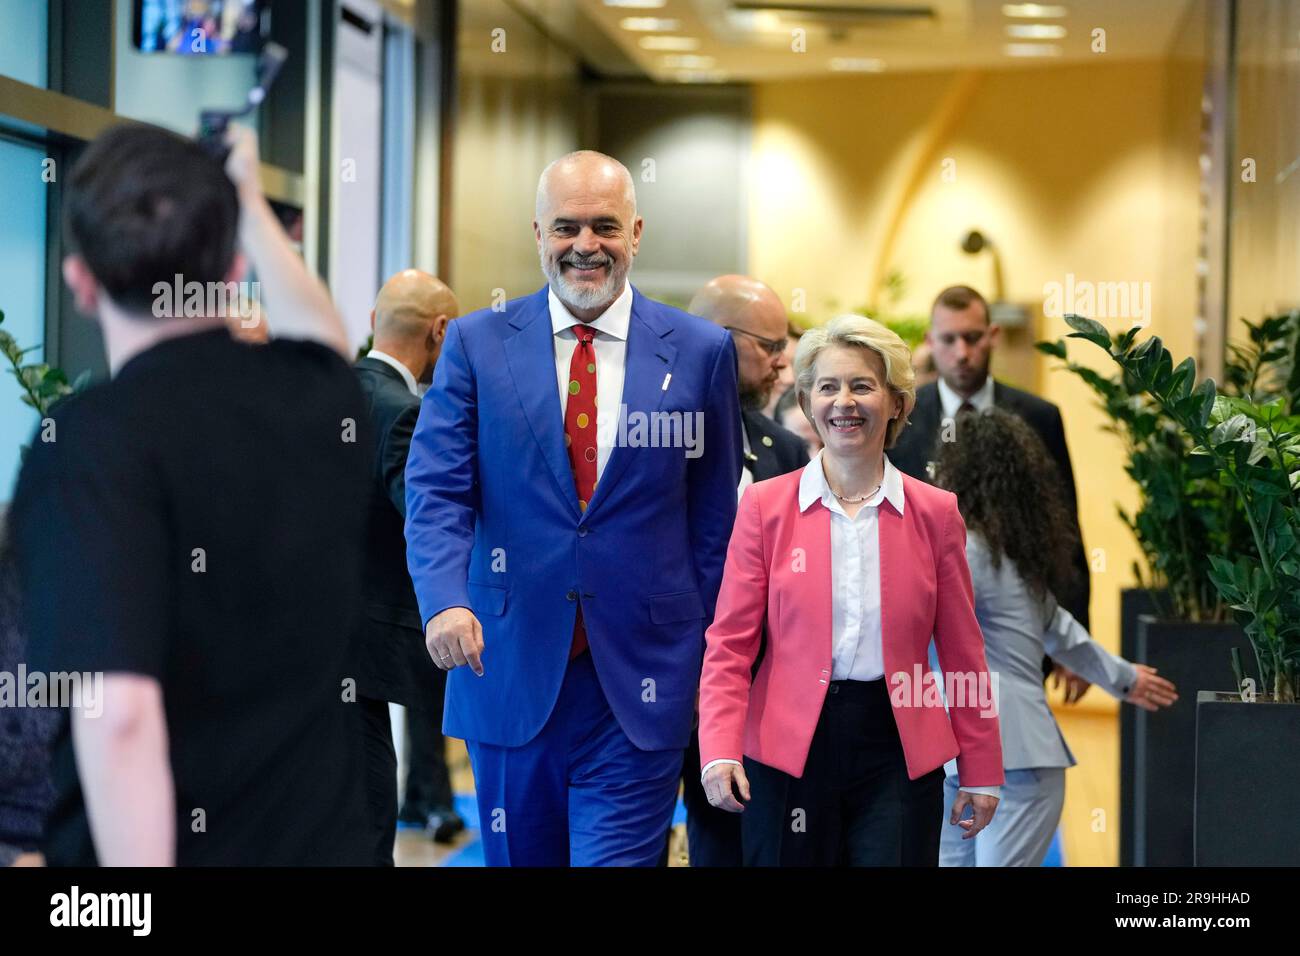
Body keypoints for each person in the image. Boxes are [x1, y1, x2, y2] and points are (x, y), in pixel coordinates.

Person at [9, 123, 370, 866]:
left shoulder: (87, 440)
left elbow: (120, 715)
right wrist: (248, 198)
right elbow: (322, 333)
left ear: (79, 280)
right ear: (235, 267)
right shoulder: (321, 401)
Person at [404, 150, 741, 866]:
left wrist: (710, 651)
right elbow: (436, 490)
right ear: (537, 234)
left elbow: (714, 522)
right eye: (566, 227)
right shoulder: (475, 343)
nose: (586, 246)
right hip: (507, 663)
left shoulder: (704, 351)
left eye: (604, 227)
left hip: (644, 679)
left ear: (637, 233)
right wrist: (442, 600)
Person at [698, 314, 1003, 866]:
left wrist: (981, 769)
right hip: (787, 749)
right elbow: (730, 645)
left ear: (897, 403)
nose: (845, 402)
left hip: (898, 747)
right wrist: (718, 748)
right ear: (809, 400)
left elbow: (963, 652)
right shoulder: (765, 507)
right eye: (828, 386)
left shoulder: (936, 513)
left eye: (863, 385)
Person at [932, 409, 1178, 865]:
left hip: (957, 748)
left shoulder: (962, 548)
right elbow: (1060, 629)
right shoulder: (1009, 555)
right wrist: (1123, 678)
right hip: (1017, 753)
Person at [889, 285, 1093, 693]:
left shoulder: (1038, 417)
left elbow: (1064, 528)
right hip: (922, 632)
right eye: (949, 340)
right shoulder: (903, 419)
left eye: (972, 337)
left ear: (992, 336)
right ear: (930, 342)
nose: (962, 352)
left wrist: (1078, 644)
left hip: (1018, 626)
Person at [681, 275, 809, 866]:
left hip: (752, 692)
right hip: (652, 681)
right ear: (717, 338)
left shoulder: (783, 449)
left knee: (736, 846)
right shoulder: (644, 432)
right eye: (771, 345)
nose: (784, 363)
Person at [353, 269, 461, 863]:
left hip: (297, 652)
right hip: (363, 655)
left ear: (374, 322)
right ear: (441, 332)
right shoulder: (405, 415)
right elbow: (427, 524)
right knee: (369, 827)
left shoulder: (318, 395)